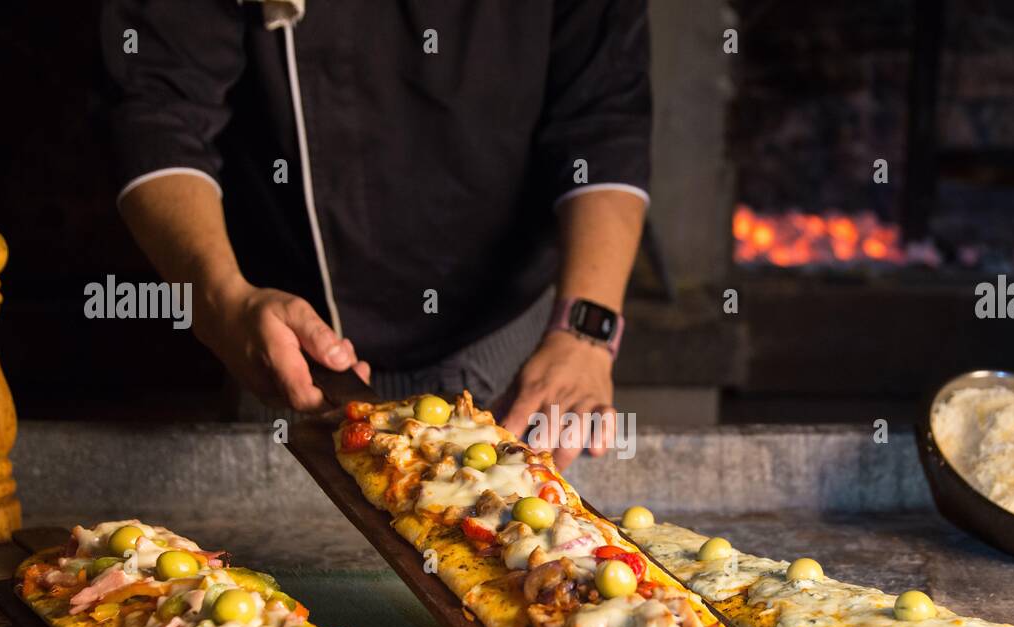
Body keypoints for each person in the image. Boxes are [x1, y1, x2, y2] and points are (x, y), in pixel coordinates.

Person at [101, 0, 650, 466]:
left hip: (512, 334)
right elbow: (159, 112)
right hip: (284, 334)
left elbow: (604, 116)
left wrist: (586, 331)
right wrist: (222, 300)